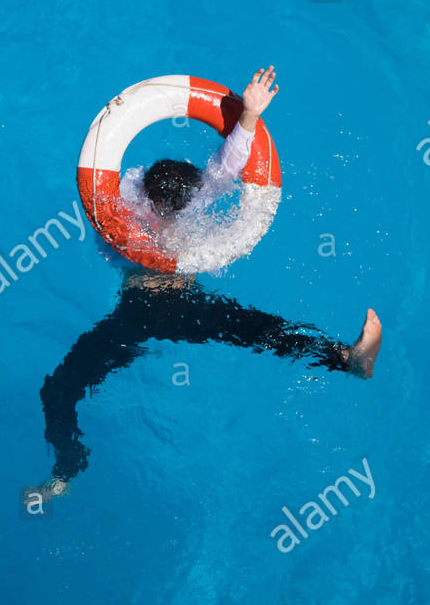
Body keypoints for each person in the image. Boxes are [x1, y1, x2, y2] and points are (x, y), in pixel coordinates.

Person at [29, 66, 382, 499]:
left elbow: (228, 165)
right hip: (143, 312)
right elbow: (108, 233)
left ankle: (350, 358)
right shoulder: (124, 207)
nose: (176, 221)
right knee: (58, 388)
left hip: (172, 308)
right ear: (153, 203)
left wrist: (249, 113)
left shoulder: (193, 193)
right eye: (169, 216)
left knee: (263, 331)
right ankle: (66, 470)